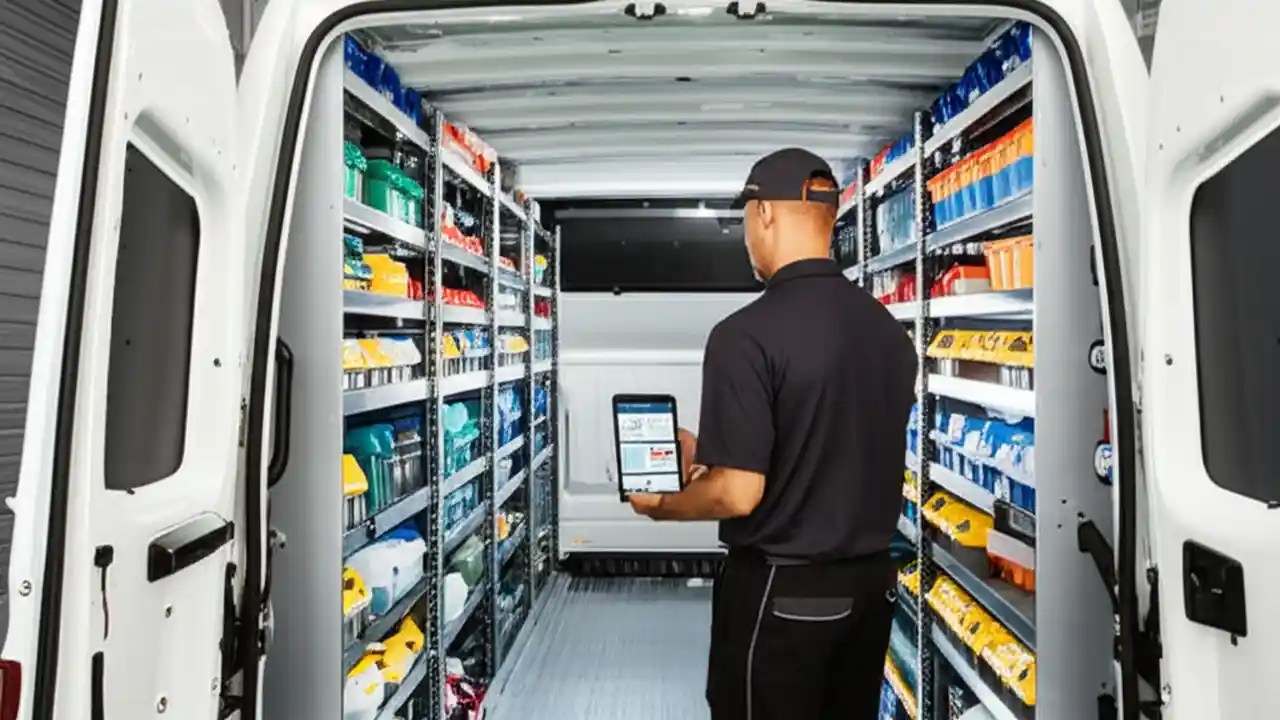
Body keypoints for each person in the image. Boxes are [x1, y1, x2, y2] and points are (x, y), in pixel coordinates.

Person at [627, 148, 918, 719]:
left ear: (763, 215)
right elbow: (828, 445)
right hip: (869, 595)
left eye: (744, 220)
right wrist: (705, 452)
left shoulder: (744, 335)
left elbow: (740, 494)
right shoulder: (889, 334)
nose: (744, 237)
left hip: (781, 601)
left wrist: (663, 504)